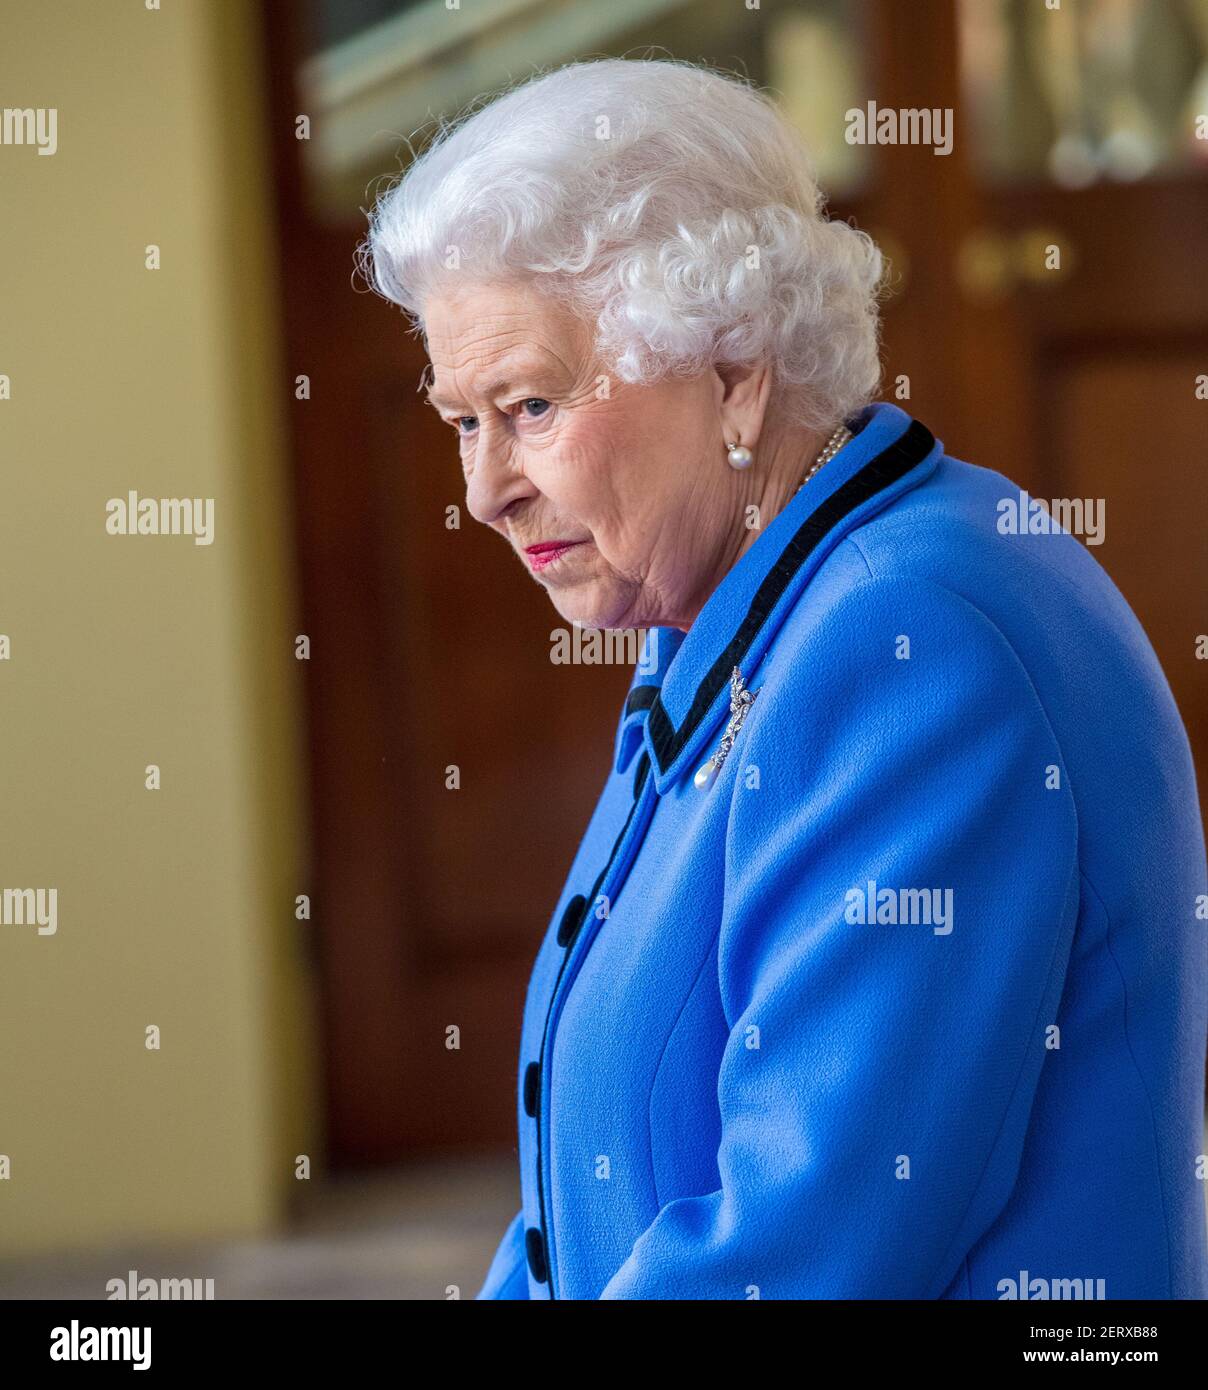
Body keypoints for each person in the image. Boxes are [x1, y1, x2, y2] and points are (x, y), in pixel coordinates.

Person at [362, 58, 1208, 1300]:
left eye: (529, 405)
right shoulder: (727, 609)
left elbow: (808, 1257)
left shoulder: (907, 643)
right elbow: (575, 1209)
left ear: (730, 370)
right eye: (458, 423)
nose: (484, 491)